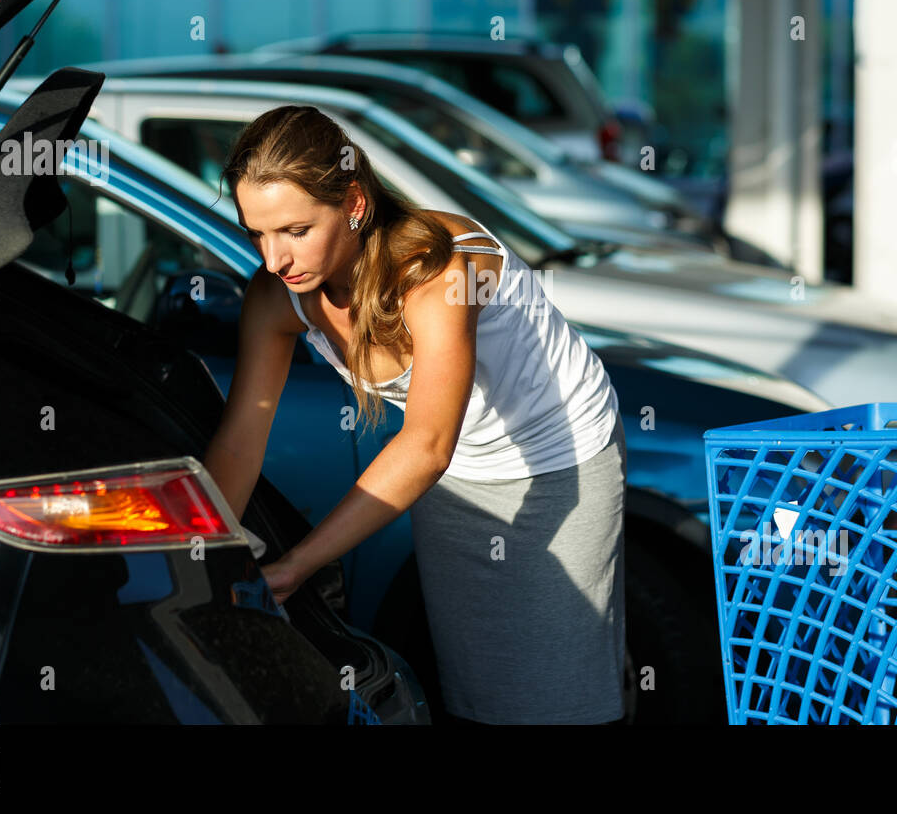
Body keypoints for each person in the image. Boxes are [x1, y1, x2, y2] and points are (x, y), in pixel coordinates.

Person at [201, 104, 627, 725]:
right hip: (456, 471)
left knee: (557, 687)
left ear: (353, 203)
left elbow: (426, 444)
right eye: (256, 233)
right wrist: (196, 551)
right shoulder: (277, 296)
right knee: (475, 678)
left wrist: (297, 565)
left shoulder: (437, 272)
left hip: (559, 459)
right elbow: (240, 442)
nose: (273, 260)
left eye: (294, 230)